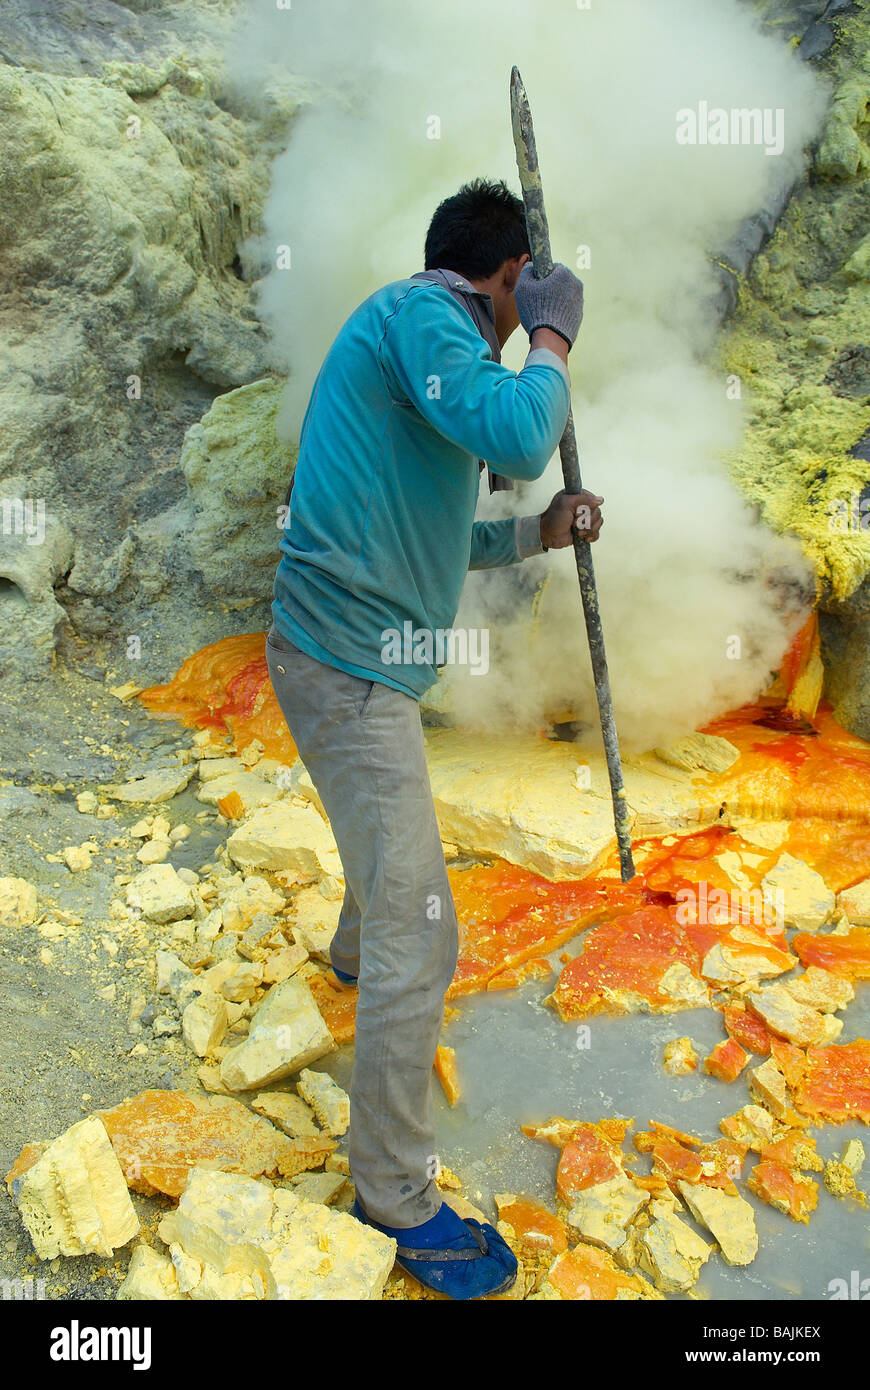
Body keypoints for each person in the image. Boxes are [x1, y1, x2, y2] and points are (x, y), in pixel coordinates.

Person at [266, 178, 602, 1299]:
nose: (522, 324)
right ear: (506, 277)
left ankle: (352, 958)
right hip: (348, 672)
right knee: (427, 930)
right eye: (522, 297)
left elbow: (435, 534)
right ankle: (394, 1193)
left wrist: (538, 534)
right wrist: (553, 336)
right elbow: (521, 428)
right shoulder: (425, 316)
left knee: (384, 853)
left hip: (341, 661)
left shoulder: (416, 346)